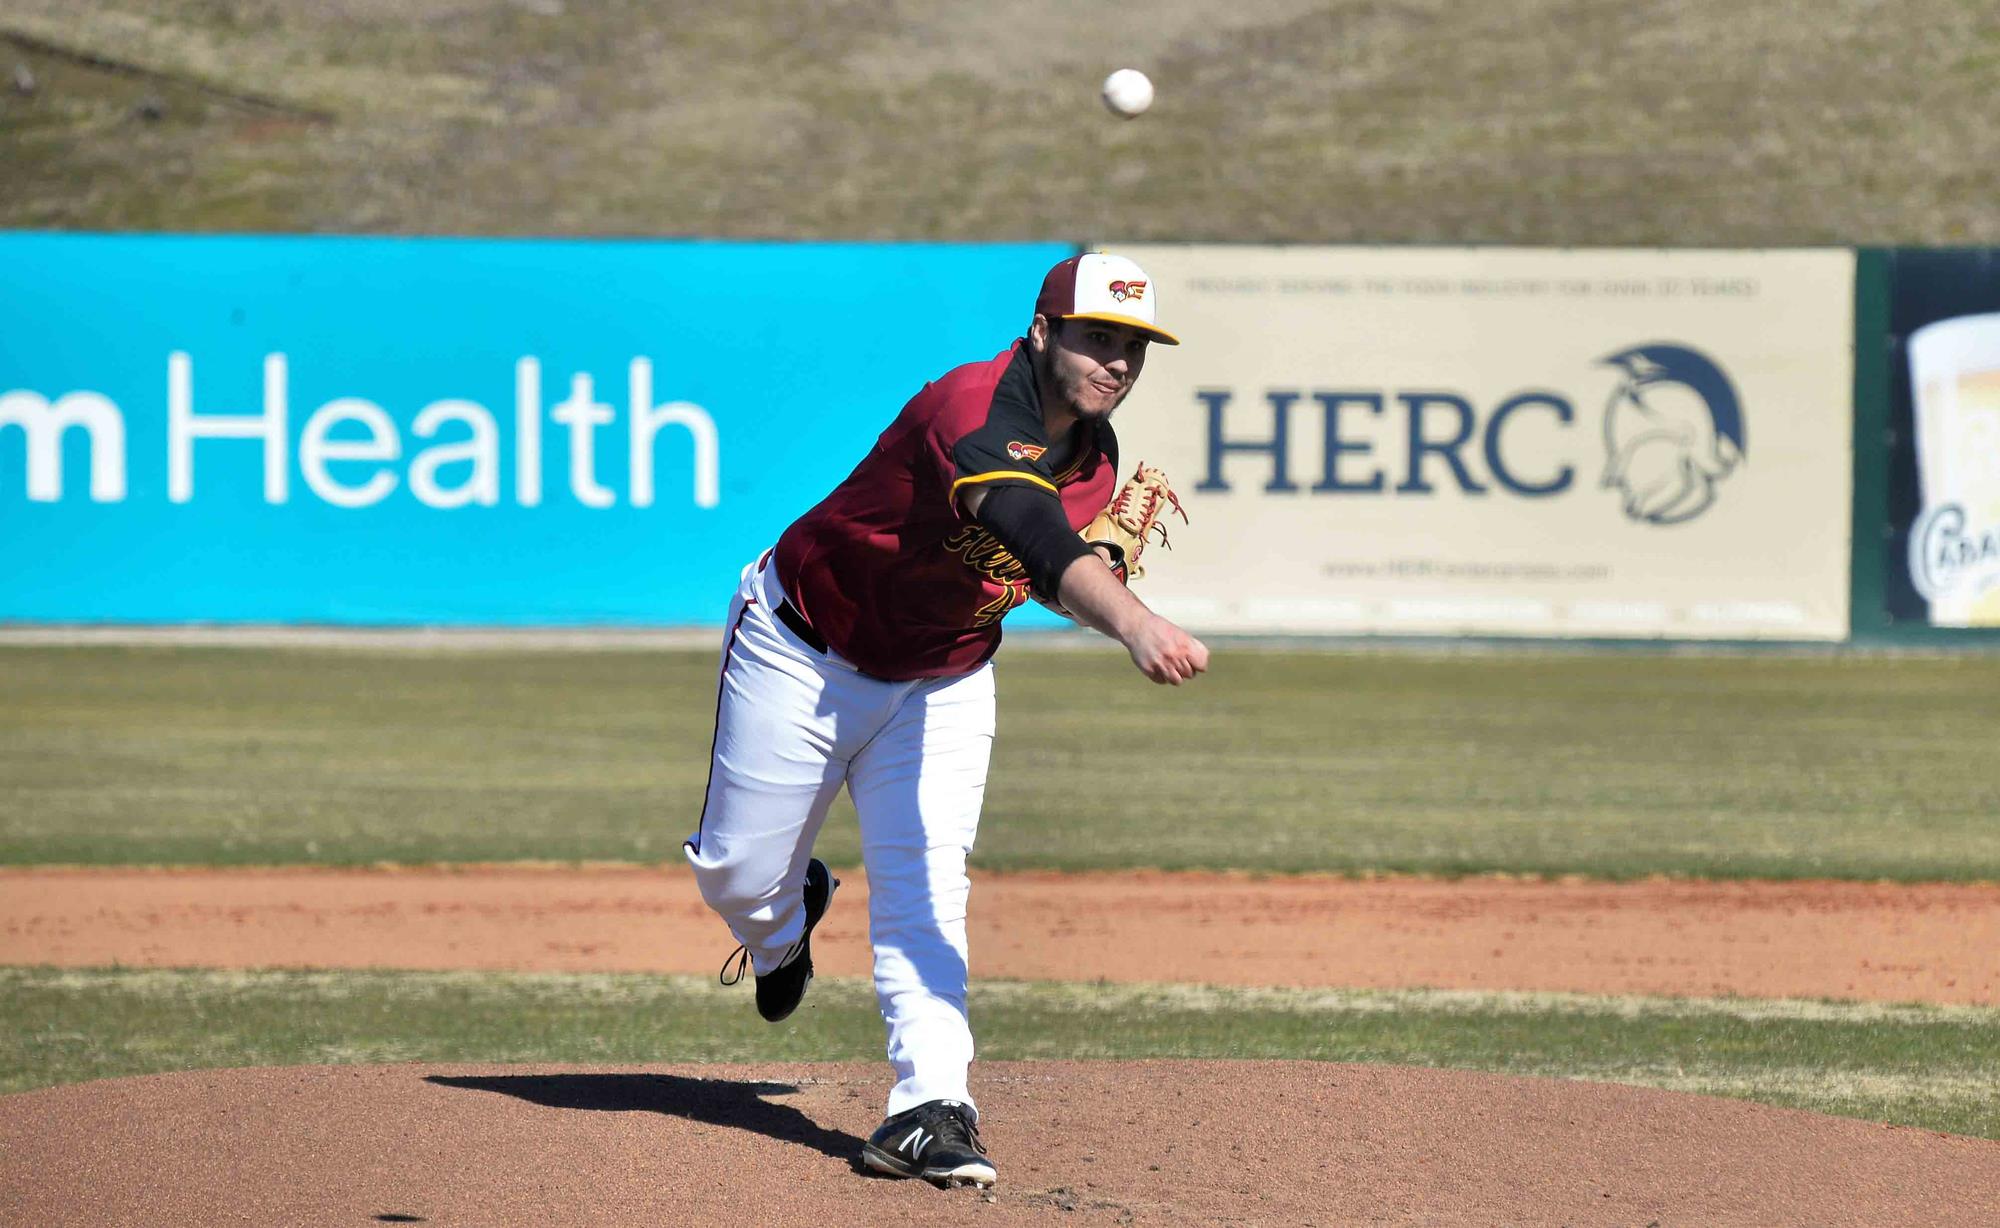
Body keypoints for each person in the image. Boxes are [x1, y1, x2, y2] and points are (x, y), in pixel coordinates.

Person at [682, 251, 1208, 1189]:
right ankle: (784, 918)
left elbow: (1028, 567)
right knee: (734, 872)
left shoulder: (1094, 460)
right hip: (802, 649)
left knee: (927, 888)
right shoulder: (966, 407)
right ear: (1042, 333)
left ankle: (930, 1108)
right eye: (1097, 337)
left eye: (1134, 346)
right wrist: (1130, 619)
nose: (1117, 362)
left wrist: (1096, 575)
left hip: (944, 677)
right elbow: (1023, 521)